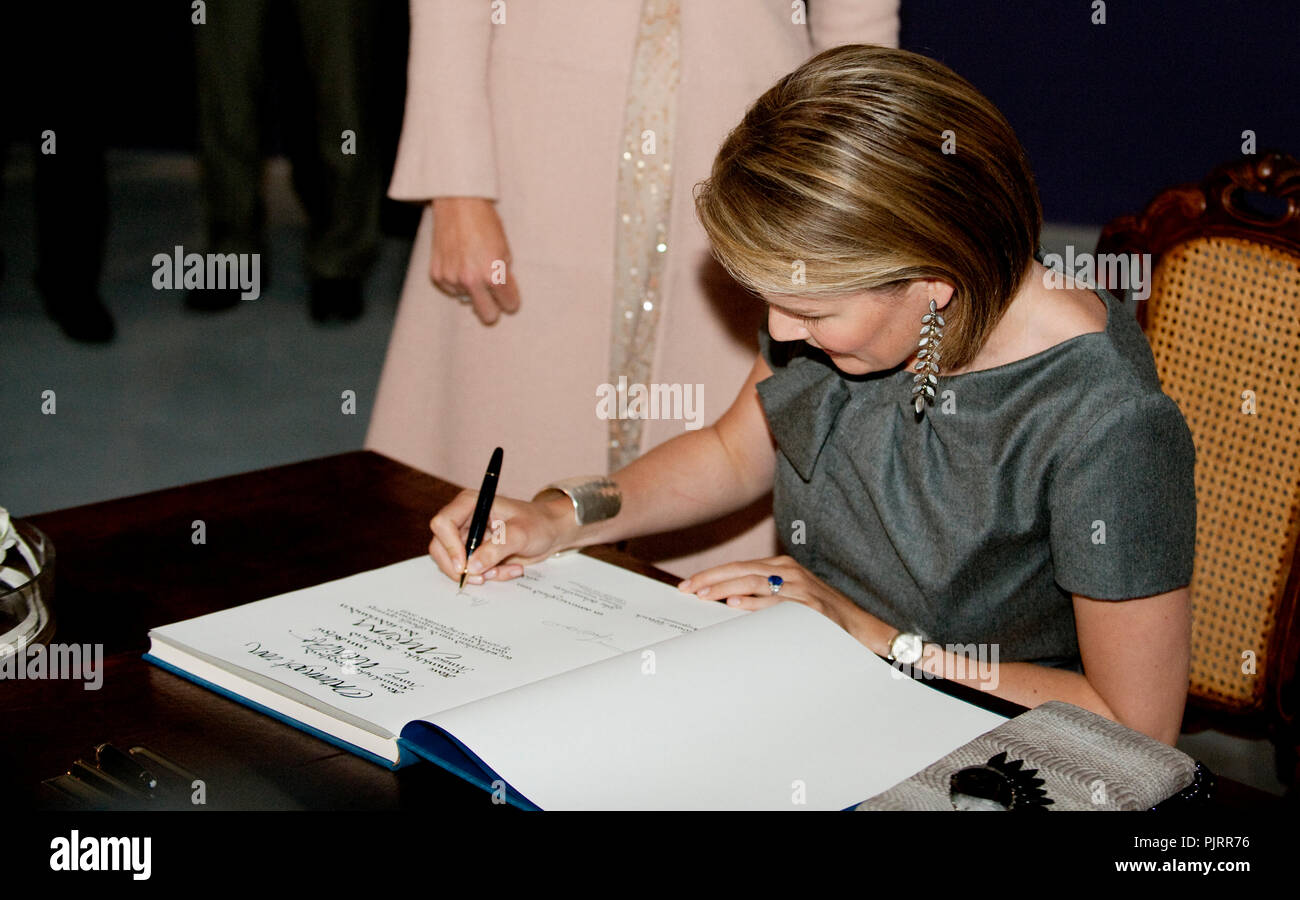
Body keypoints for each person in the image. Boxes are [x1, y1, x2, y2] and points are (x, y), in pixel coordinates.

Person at [426, 45, 1198, 747]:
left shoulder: (1106, 422)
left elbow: (1137, 724)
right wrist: (560, 516)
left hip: (978, 746)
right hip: (812, 688)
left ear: (934, 284)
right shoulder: (865, 305)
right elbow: (735, 452)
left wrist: (871, 638)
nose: (778, 330)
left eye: (812, 310)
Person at [365, 0, 900, 577]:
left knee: (725, 440)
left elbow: (856, 21)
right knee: (503, 421)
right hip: (536, 128)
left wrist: (854, 190)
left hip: (747, 131)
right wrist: (456, 185)